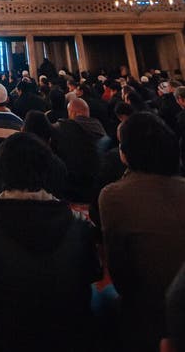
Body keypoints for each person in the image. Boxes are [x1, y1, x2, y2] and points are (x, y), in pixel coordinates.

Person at [0, 132, 100, 352]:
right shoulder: (79, 224)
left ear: (3, 170)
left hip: (1, 335)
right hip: (67, 335)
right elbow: (91, 277)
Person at [99, 112, 185, 352]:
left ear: (125, 153)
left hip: (150, 317)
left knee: (99, 299)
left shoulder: (113, 196)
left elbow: (121, 275)